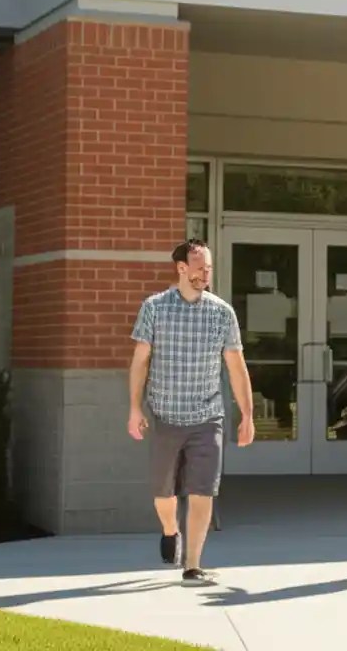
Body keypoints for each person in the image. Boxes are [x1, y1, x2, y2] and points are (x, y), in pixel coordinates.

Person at [127, 239, 255, 586]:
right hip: (166, 415)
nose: (204, 273)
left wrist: (247, 414)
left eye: (208, 268)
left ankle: (193, 565)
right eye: (198, 267)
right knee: (163, 493)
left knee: (203, 491)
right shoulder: (154, 308)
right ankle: (171, 530)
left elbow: (236, 366)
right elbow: (140, 361)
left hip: (208, 416)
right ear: (181, 268)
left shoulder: (221, 313)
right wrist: (134, 408)